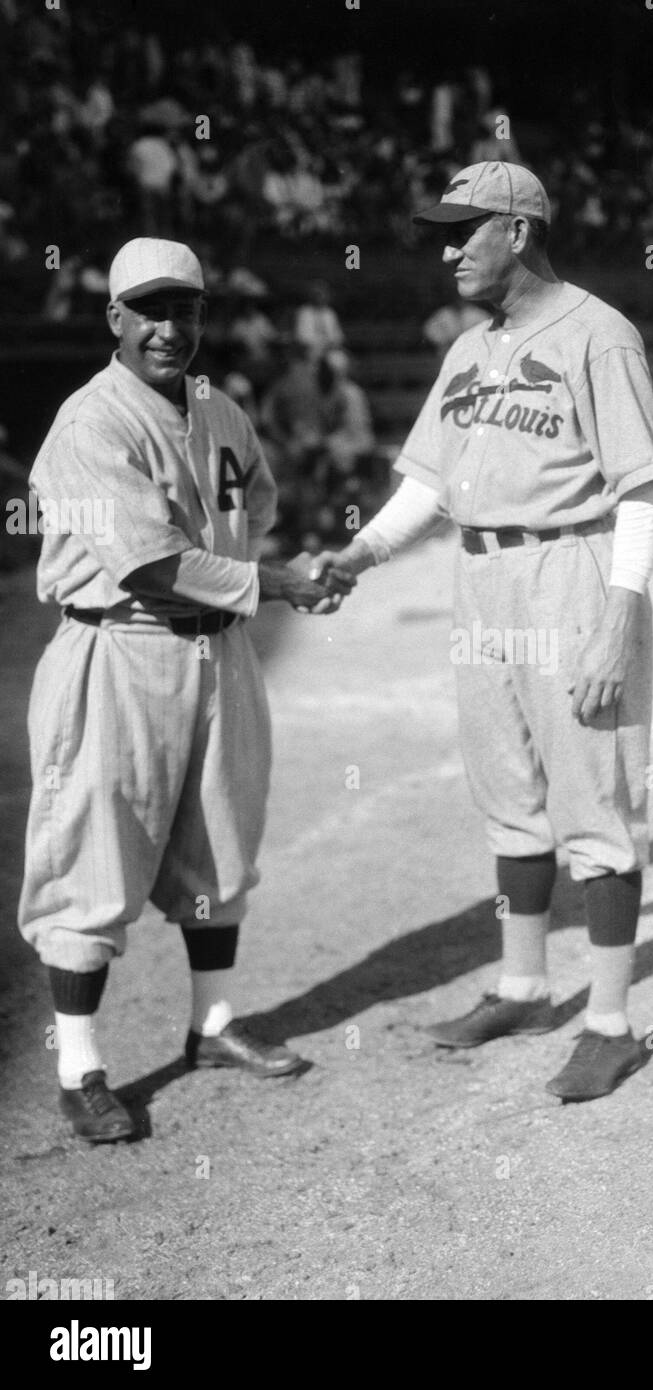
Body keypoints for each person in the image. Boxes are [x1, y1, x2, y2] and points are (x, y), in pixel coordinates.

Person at [312, 162, 653, 1102]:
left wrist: (616, 620)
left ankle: (608, 1023)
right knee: (507, 791)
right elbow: (427, 488)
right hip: (482, 576)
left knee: (596, 806)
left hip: (574, 570)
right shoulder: (468, 352)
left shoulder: (599, 334)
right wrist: (360, 556)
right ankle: (521, 986)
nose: (445, 248)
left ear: (517, 230)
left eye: (462, 230)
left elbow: (639, 490)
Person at [18, 237, 353, 1144]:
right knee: (97, 852)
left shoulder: (220, 410)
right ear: (115, 318)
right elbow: (152, 566)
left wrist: (275, 573)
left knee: (220, 841)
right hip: (119, 652)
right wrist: (279, 582)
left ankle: (210, 1024)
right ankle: (79, 1065)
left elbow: (260, 511)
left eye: (187, 309)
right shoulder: (89, 423)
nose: (171, 329)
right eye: (151, 310)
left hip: (222, 652)